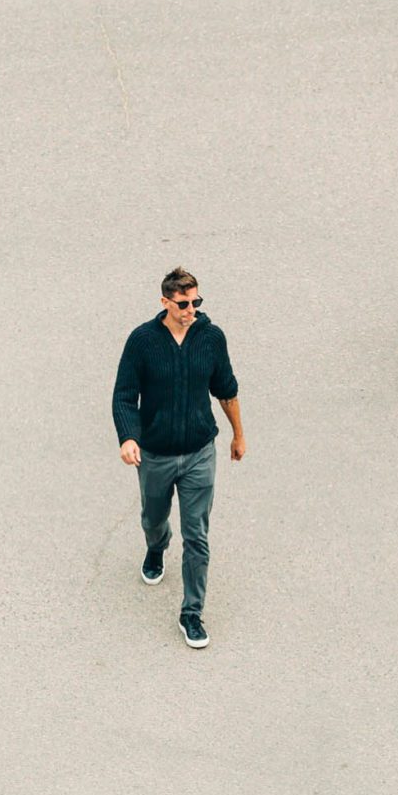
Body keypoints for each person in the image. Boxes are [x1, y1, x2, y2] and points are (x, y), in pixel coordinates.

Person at [111, 267, 244, 648]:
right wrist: (128, 437)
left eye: (196, 302)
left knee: (197, 535)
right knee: (153, 518)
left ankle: (192, 613)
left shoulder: (211, 338)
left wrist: (238, 434)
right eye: (184, 304)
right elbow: (124, 395)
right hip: (155, 454)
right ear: (165, 302)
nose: (191, 310)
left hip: (200, 452)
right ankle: (156, 547)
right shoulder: (143, 341)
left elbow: (226, 389)